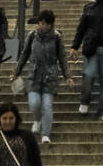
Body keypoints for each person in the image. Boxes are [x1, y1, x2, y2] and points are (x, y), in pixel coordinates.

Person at [13, 10, 70, 144]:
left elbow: (62, 57)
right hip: (33, 74)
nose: (43, 26)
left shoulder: (56, 37)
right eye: (41, 23)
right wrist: (16, 72)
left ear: (51, 24)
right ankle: (38, 119)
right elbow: (24, 54)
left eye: (46, 24)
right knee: (34, 103)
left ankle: (45, 134)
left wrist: (67, 75)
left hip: (50, 76)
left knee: (47, 105)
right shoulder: (32, 35)